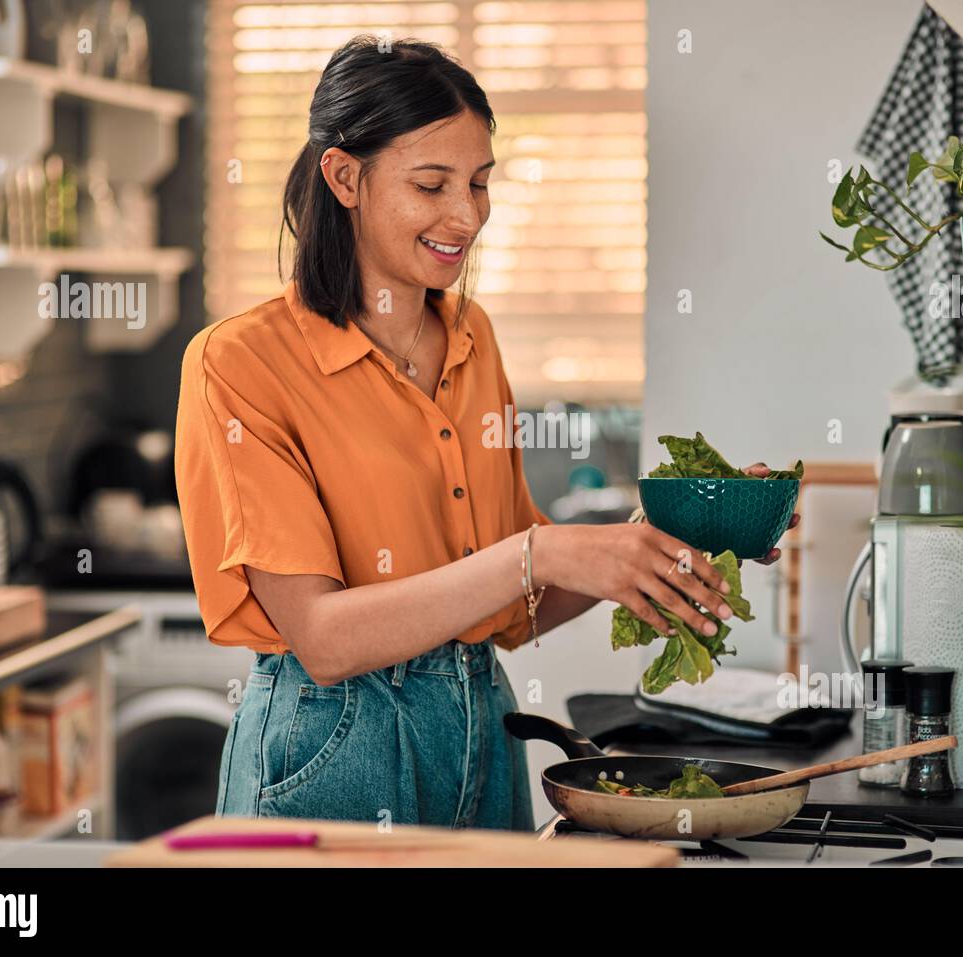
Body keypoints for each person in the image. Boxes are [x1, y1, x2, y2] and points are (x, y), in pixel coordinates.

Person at [173, 35, 796, 831]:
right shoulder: (240, 363)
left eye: (478, 183)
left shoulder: (472, 336)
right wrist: (540, 552)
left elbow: (509, 608)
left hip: (481, 728)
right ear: (344, 177)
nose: (465, 216)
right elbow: (323, 639)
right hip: (332, 744)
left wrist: (670, 532)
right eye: (431, 184)